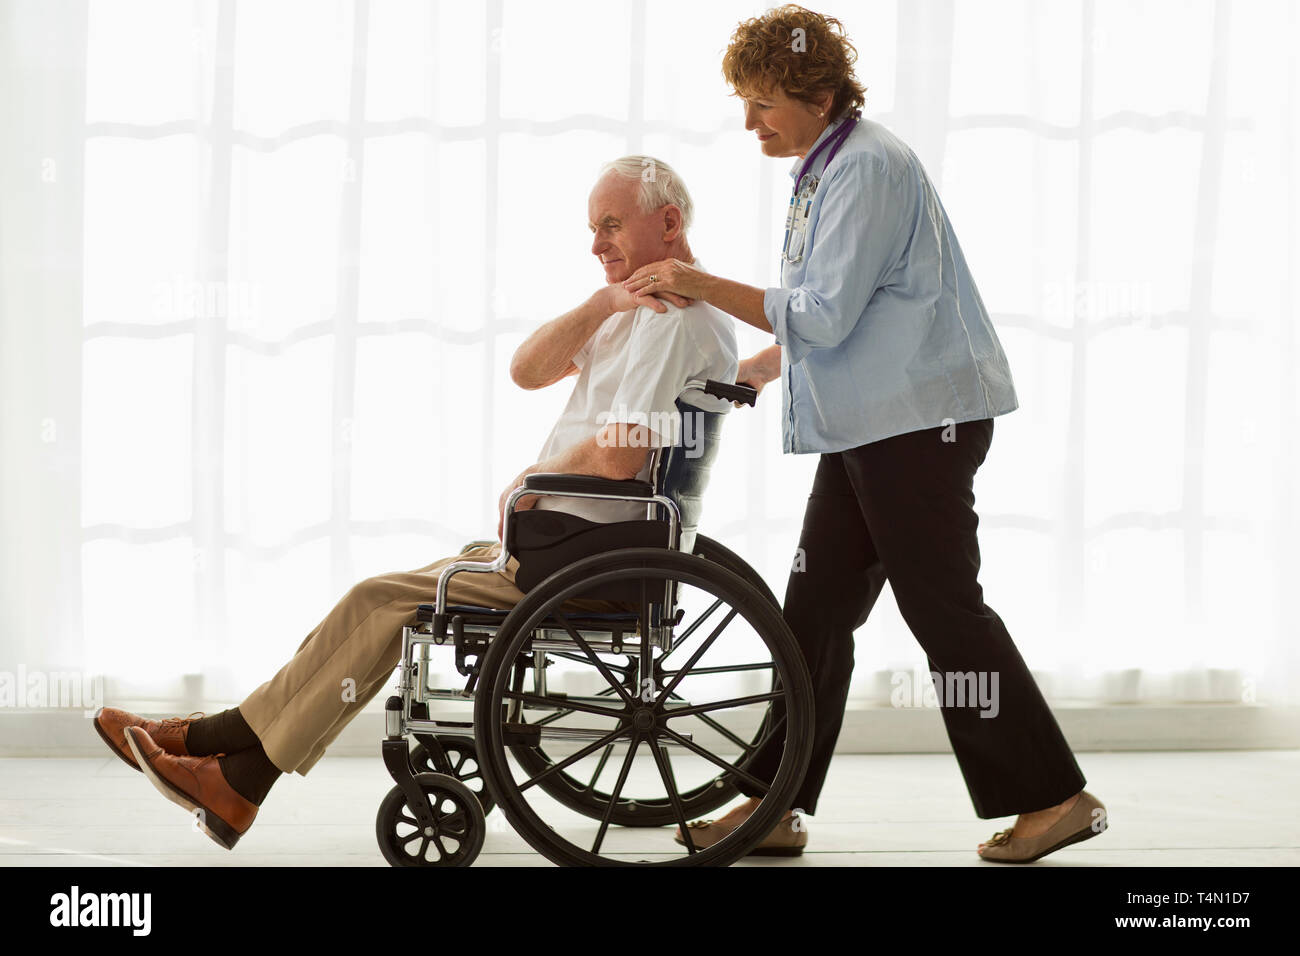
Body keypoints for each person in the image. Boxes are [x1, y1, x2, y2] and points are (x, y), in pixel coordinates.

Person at [93, 155, 738, 851]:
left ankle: (229, 765)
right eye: (592, 229)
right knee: (387, 595)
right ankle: (226, 758)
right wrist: (600, 304)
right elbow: (528, 370)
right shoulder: (635, 309)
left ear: (667, 222)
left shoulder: (674, 319)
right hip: (574, 538)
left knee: (381, 598)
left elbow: (620, 454)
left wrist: (534, 477)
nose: (596, 245)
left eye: (610, 226)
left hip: (588, 549)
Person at [623, 5, 1107, 863]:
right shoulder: (827, 168)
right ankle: (773, 805)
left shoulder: (868, 168)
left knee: (943, 610)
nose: (749, 122)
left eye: (762, 101)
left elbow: (829, 311)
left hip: (920, 426)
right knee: (811, 613)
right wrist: (766, 368)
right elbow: (849, 311)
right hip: (874, 428)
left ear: (815, 92)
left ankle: (1055, 797)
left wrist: (697, 281)